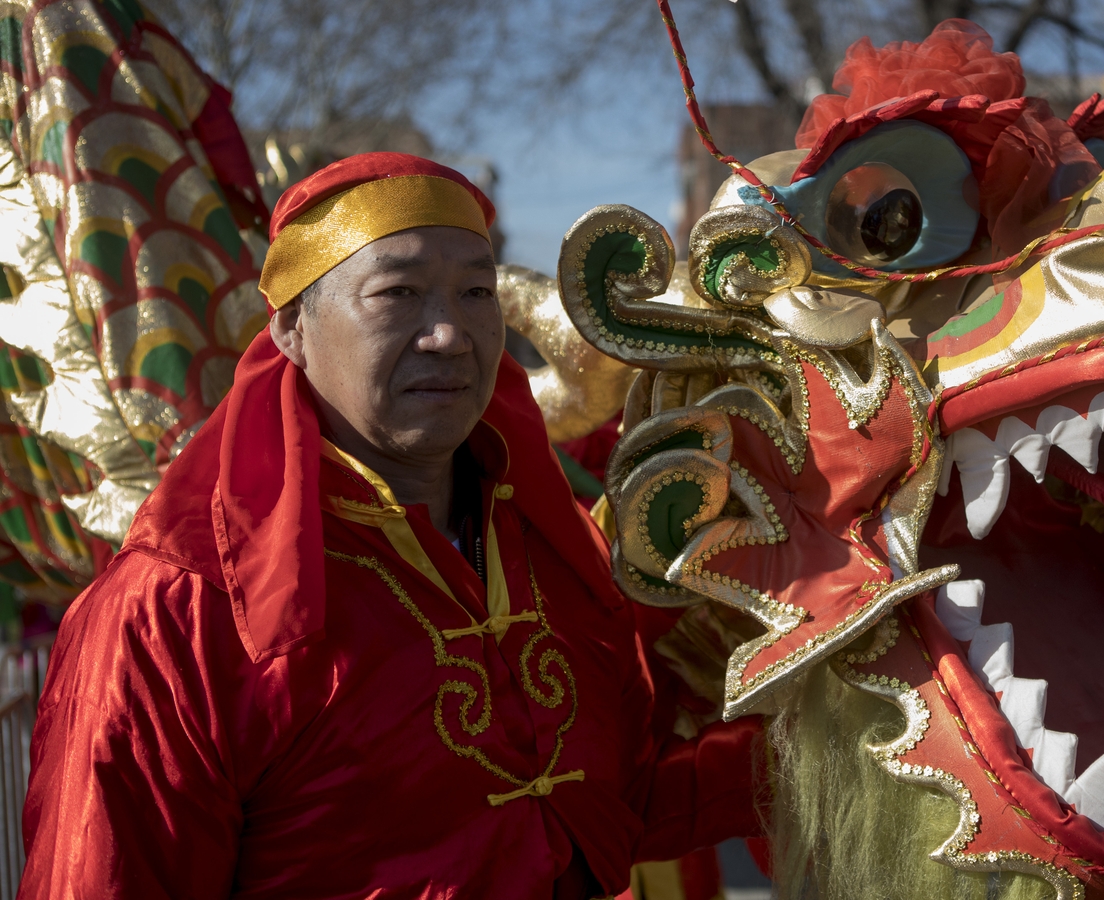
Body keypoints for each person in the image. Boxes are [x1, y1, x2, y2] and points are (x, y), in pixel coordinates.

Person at [20, 153, 761, 898]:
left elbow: (605, 811)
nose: (449, 333)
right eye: (398, 292)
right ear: (291, 328)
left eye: (477, 290)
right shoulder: (176, 611)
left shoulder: (552, 549)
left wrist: (827, 734)